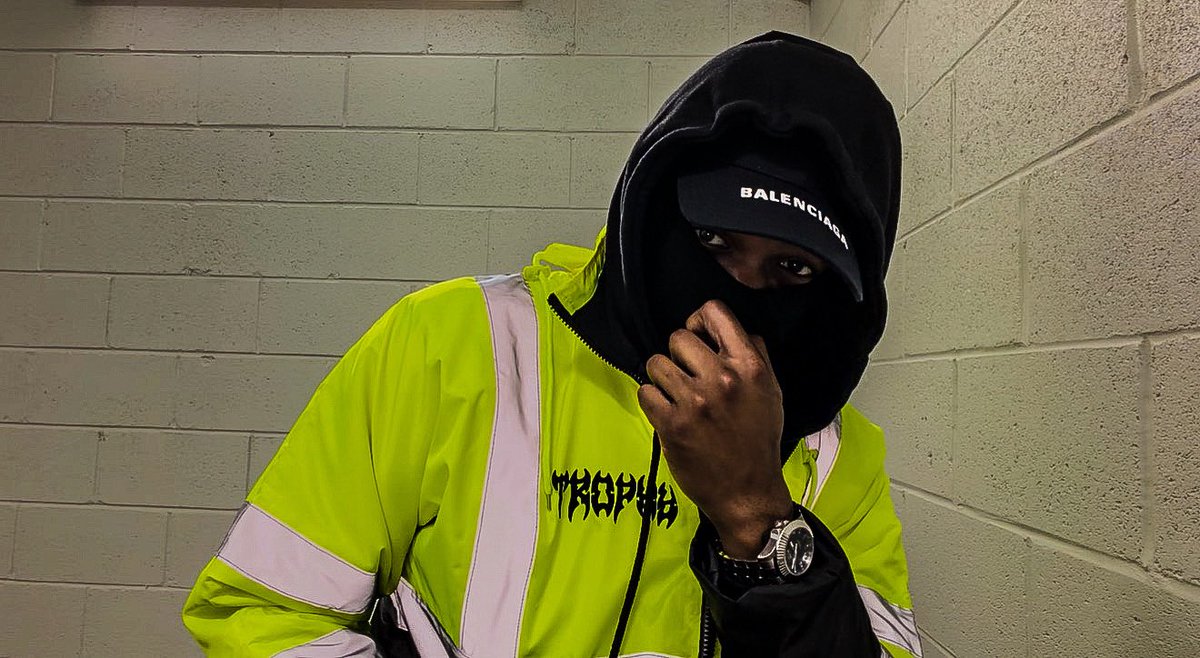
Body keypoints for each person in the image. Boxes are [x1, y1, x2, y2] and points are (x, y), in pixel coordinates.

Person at [183, 31, 919, 657]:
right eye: (712, 241)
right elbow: (261, 614)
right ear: (653, 214)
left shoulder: (838, 457)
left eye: (793, 270)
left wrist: (756, 513)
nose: (734, 301)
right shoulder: (452, 344)